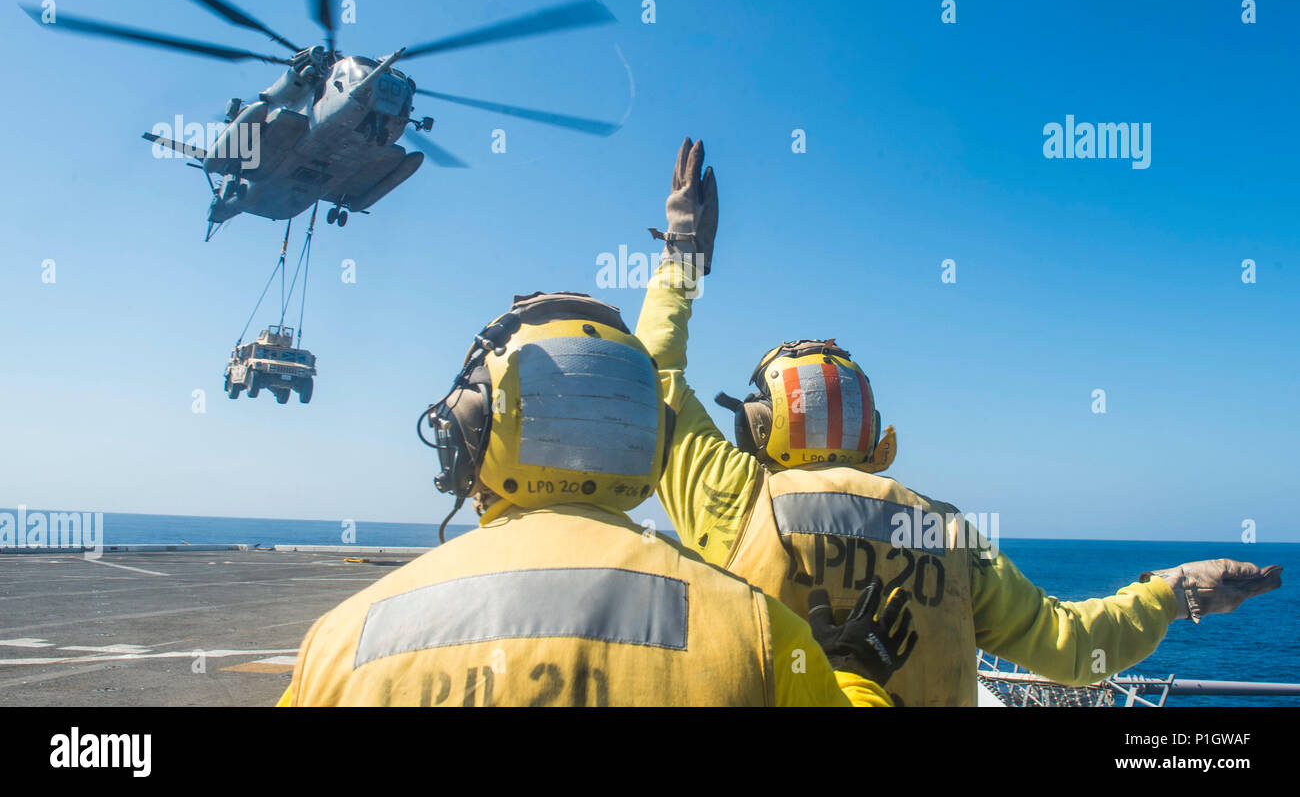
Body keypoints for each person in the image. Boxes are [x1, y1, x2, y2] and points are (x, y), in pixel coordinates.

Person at [636, 137, 1284, 706]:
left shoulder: (733, 498)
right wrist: (1174, 591)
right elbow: (1076, 646)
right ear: (874, 439)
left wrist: (682, 257)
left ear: (757, 427)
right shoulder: (943, 532)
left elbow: (655, 375)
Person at [278, 290, 912, 706]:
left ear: (470, 433)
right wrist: (855, 674)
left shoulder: (339, 643)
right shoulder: (759, 632)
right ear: (653, 440)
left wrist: (679, 260)